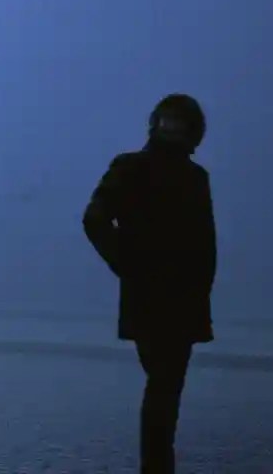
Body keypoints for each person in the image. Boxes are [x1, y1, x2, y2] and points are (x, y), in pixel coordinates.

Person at [82, 94, 217, 474]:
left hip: (187, 300)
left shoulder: (196, 178)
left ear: (194, 131)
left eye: (181, 123)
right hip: (149, 296)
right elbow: (95, 218)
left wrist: (202, 290)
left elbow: (205, 243)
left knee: (167, 391)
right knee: (162, 387)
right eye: (167, 122)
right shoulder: (130, 167)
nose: (173, 129)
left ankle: (158, 467)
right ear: (155, 124)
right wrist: (127, 263)